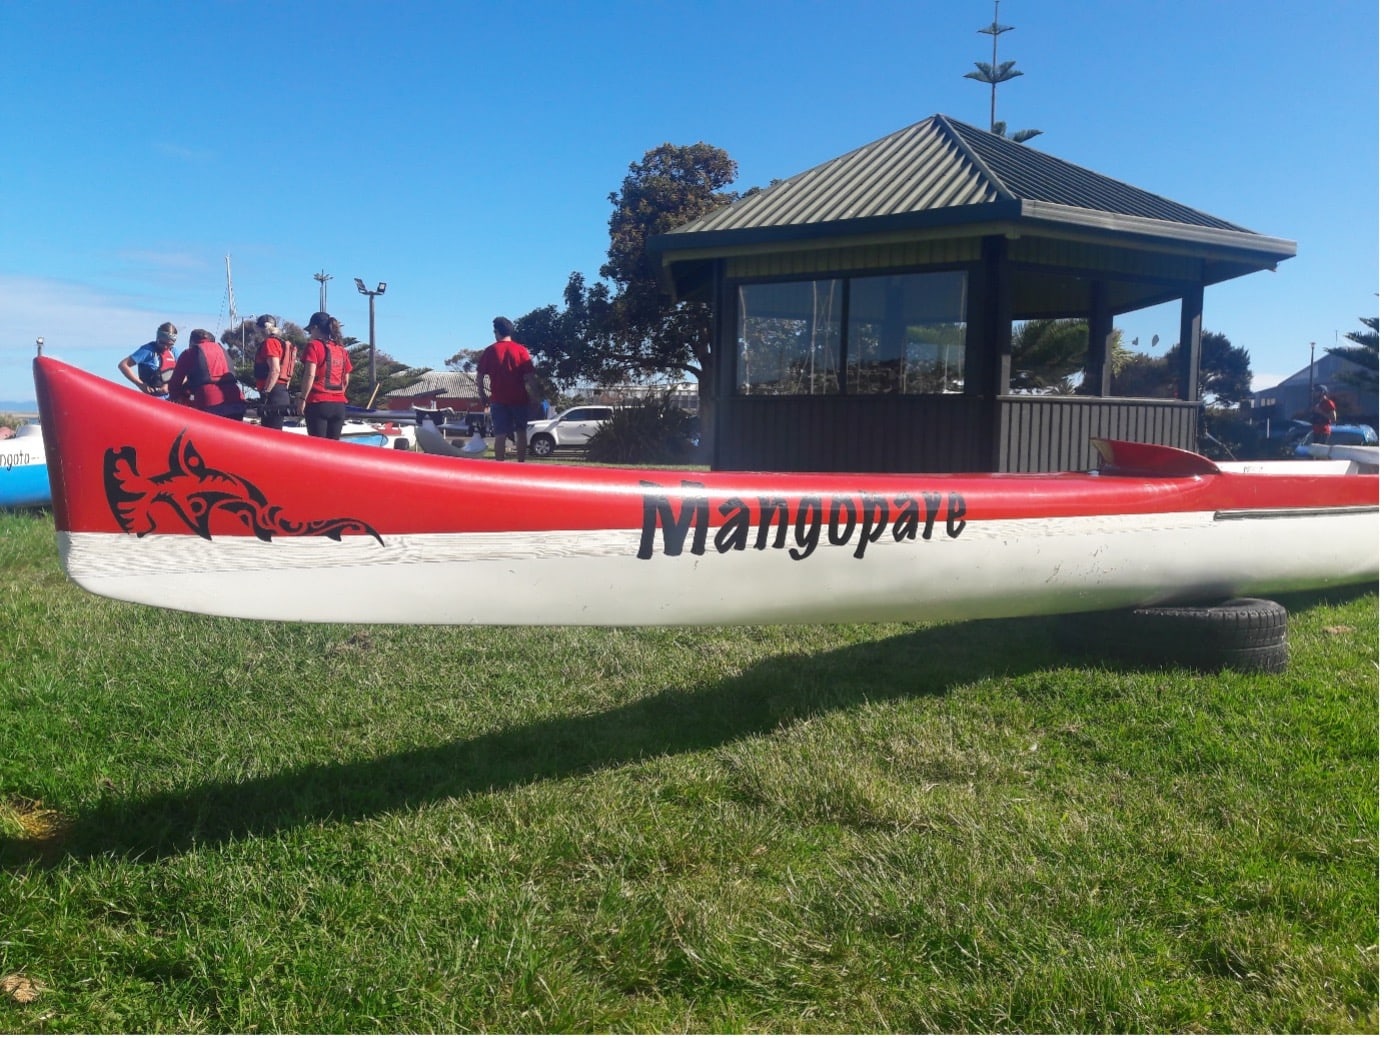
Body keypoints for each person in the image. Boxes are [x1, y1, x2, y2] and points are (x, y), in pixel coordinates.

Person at [475, 316, 542, 462]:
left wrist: (482, 395)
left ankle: (499, 464)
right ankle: (521, 463)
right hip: (519, 398)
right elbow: (530, 377)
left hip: (498, 398)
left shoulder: (490, 351)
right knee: (521, 431)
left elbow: (479, 377)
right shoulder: (521, 350)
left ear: (497, 332)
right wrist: (535, 396)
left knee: (500, 433)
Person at [166, 329, 246, 420]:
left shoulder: (190, 353)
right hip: (237, 402)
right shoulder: (222, 350)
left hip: (210, 404)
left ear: (192, 341)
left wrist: (178, 399)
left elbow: (174, 384)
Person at [299, 311, 352, 439]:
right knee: (333, 450)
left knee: (317, 449)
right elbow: (346, 377)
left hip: (318, 402)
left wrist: (302, 398)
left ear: (315, 328)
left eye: (310, 330)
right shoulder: (341, 349)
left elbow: (310, 374)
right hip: (339, 405)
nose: (310, 334)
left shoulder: (314, 346)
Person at [252, 314, 297, 430]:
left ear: (261, 329)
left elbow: (275, 370)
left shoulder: (270, 343)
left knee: (269, 434)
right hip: (281, 391)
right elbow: (286, 373)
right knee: (275, 431)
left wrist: (265, 393)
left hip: (272, 394)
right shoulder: (282, 343)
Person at [117, 322, 179, 396]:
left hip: (169, 399)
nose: (165, 347)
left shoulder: (174, 352)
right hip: (152, 397)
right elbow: (123, 365)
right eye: (162, 342)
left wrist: (169, 386)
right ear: (157, 338)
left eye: (169, 344)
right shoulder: (147, 351)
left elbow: (185, 375)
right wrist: (140, 384)